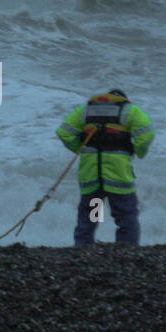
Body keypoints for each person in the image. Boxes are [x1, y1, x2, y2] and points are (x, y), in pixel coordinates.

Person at [56, 89, 154, 245]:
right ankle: (127, 249)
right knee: (125, 215)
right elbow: (146, 135)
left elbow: (64, 132)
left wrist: (81, 149)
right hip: (117, 174)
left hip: (91, 174)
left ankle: (84, 247)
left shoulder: (85, 110)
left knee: (92, 213)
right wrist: (138, 151)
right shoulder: (129, 110)